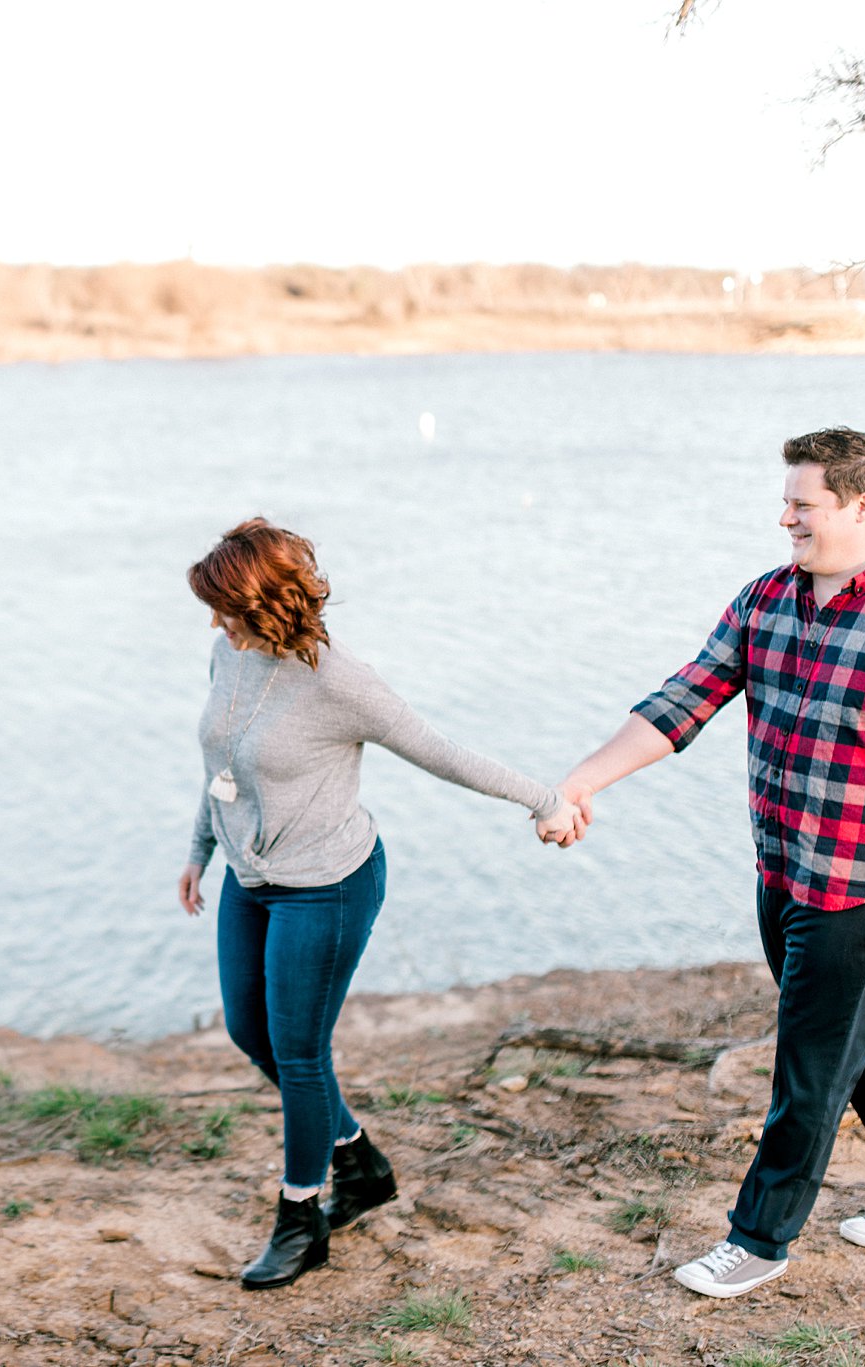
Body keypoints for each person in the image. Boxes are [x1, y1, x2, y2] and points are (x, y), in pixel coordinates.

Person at [545, 428, 865, 1298]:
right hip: (783, 873)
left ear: (862, 506)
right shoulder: (765, 599)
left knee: (807, 1066)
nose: (786, 517)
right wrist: (581, 780)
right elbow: (685, 699)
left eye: (803, 504)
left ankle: (759, 1237)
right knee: (846, 1038)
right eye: (786, 502)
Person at [178, 517, 583, 1290]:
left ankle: (301, 1218)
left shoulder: (340, 683)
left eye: (226, 607)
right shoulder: (228, 653)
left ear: (266, 603)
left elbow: (442, 752)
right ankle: (360, 1162)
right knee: (248, 1030)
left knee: (300, 1054)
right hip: (249, 877)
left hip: (327, 886)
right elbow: (220, 762)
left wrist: (545, 799)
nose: (215, 622)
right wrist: (199, 849)